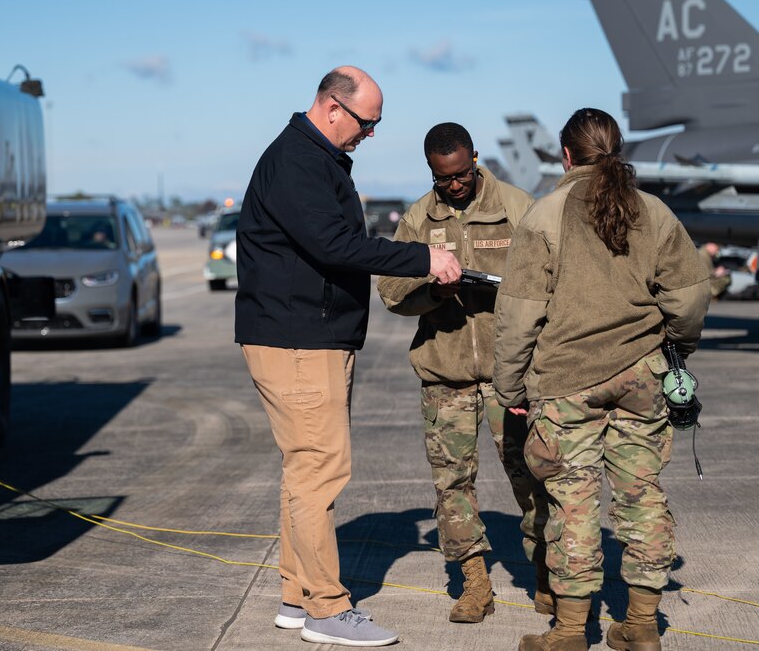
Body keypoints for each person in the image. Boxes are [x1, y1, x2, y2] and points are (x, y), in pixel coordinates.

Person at [235, 66, 462, 648]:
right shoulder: (299, 160)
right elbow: (332, 245)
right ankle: (328, 611)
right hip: (298, 343)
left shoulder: (312, 157)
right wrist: (423, 258)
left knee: (303, 471)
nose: (370, 134)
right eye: (368, 122)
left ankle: (296, 596)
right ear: (333, 107)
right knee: (320, 470)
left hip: (306, 338)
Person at [493, 108, 710, 651]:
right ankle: (640, 626)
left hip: (567, 383)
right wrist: (675, 347)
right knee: (641, 496)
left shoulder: (543, 216)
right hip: (642, 377)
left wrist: (510, 388)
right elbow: (688, 297)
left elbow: (519, 316)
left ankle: (569, 632)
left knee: (573, 503)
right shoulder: (654, 212)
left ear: (567, 156)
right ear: (617, 149)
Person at [376, 122, 549, 624]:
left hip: (509, 374)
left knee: (530, 475)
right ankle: (474, 583)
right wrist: (434, 293)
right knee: (452, 486)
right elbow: (391, 292)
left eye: (460, 174)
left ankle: (544, 571)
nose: (453, 185)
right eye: (441, 178)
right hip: (444, 373)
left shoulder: (516, 207)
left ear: (475, 158)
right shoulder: (417, 217)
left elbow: (550, 278)